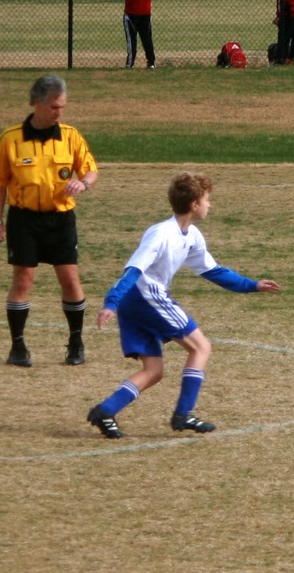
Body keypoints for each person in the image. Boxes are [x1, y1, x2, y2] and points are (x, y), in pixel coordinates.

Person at [86, 172, 282, 439]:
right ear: (194, 205)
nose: (210, 205)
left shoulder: (191, 235)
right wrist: (111, 302)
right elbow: (133, 269)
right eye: (207, 199)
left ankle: (105, 411)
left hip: (137, 301)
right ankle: (183, 414)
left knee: (153, 371)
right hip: (145, 297)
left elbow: (213, 271)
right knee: (201, 346)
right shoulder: (160, 234)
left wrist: (252, 285)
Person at [0, 75, 98, 367]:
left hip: (60, 219)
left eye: (62, 107)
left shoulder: (70, 137)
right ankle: (18, 347)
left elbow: (90, 170)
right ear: (36, 102)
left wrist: (83, 183)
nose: (59, 112)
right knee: (23, 277)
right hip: (24, 219)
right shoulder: (11, 139)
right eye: (53, 106)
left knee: (70, 278)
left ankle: (75, 343)